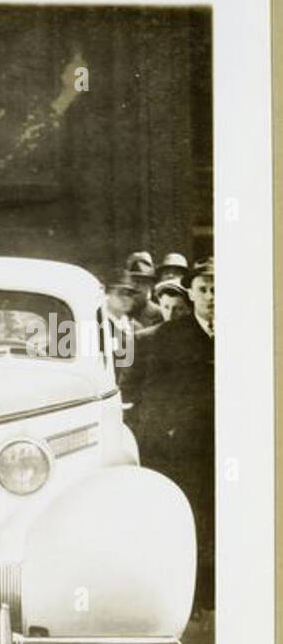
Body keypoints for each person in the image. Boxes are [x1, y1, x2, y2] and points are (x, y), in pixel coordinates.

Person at [127, 256, 214, 611]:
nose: (212, 297)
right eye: (204, 289)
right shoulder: (170, 337)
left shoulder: (247, 330)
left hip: (226, 444)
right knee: (192, 516)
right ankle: (193, 596)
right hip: (187, 446)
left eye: (218, 290)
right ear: (191, 294)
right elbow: (155, 392)